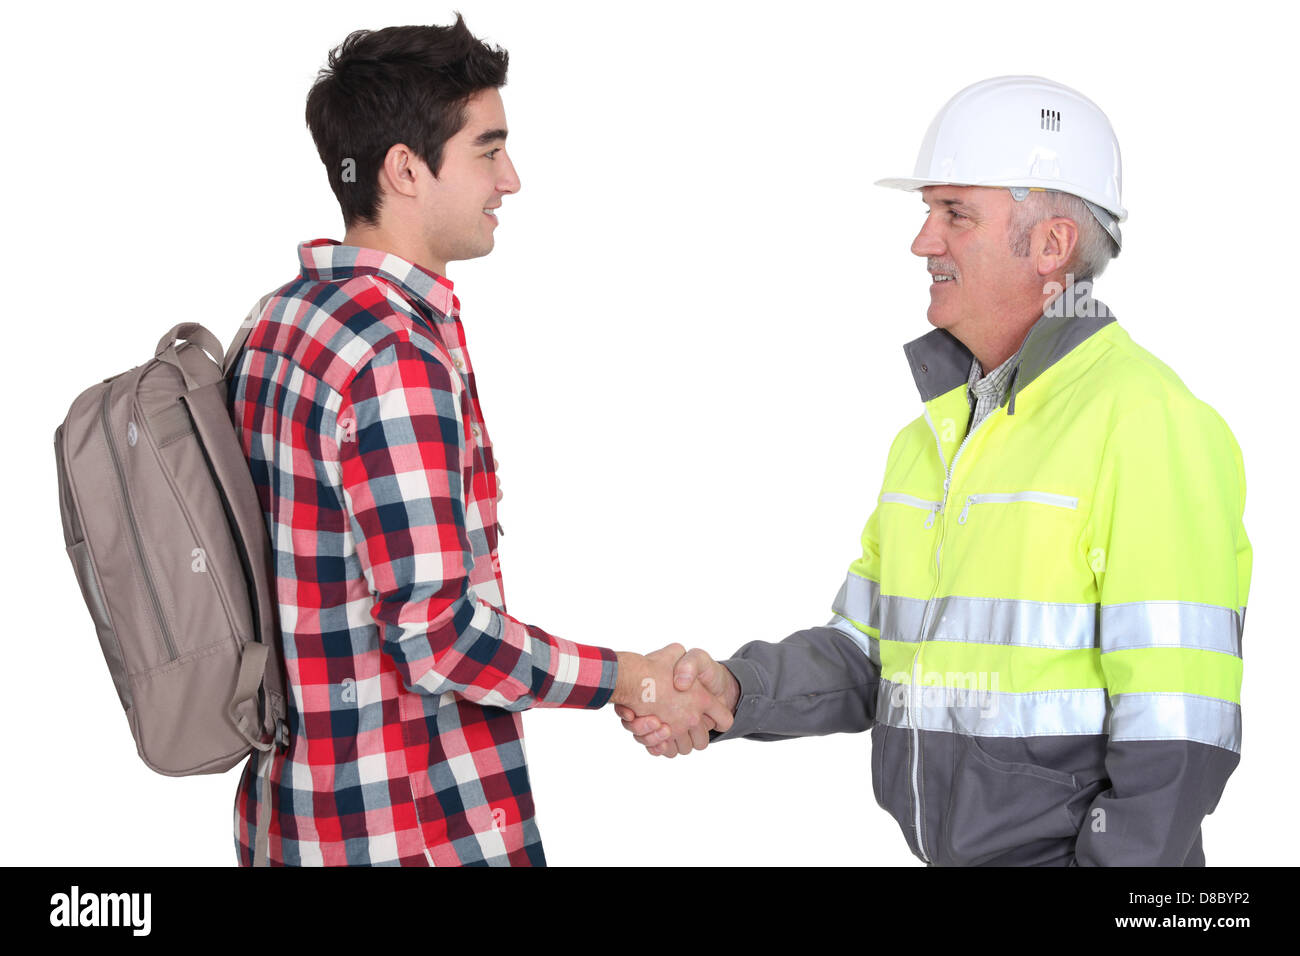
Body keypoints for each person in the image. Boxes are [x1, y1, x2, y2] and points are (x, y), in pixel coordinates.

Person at [616, 76, 1251, 867]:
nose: (924, 241)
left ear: (1052, 246)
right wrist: (735, 692)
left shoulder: (1148, 424)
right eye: (928, 212)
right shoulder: (934, 438)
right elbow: (866, 652)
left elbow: (1181, 730)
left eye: (955, 213)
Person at [227, 17, 732, 867]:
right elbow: (441, 636)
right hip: (411, 827)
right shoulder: (393, 356)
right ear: (404, 170)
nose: (513, 179)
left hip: (298, 819)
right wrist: (629, 677)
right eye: (488, 150)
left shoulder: (279, 322)